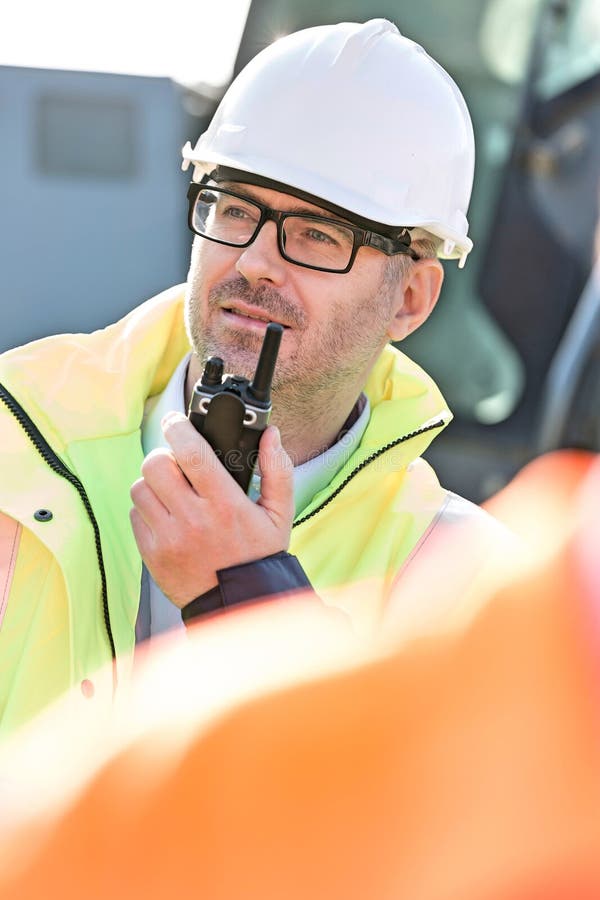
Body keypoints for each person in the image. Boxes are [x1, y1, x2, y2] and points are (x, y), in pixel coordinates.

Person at [0, 19, 507, 736]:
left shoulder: (465, 577)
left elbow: (448, 835)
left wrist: (253, 605)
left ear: (411, 299)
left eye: (316, 236)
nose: (254, 263)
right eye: (235, 209)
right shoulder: (12, 441)